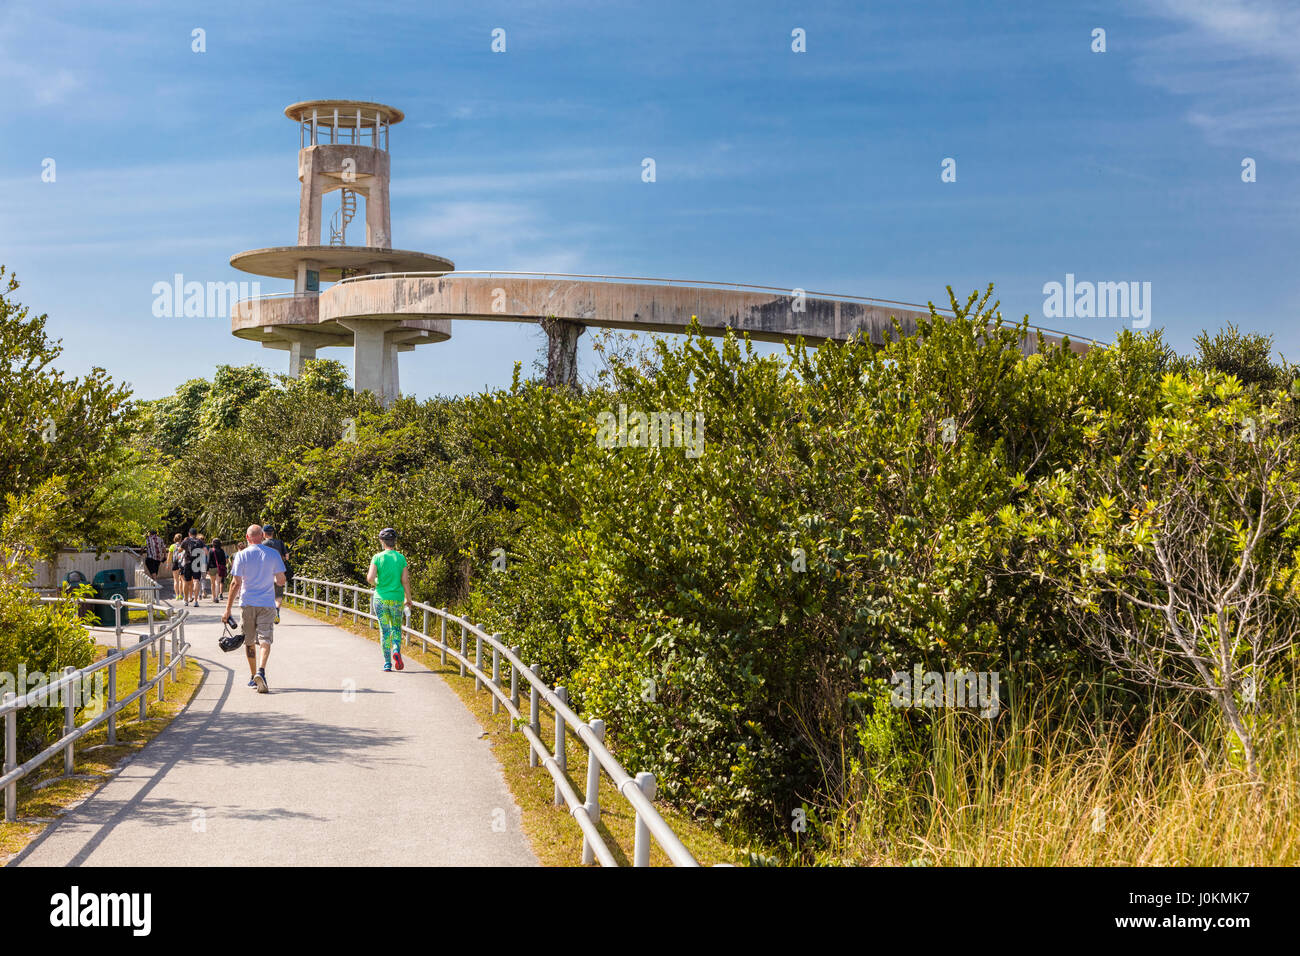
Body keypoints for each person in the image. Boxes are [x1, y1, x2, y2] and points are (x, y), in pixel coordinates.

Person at [223, 524, 286, 694]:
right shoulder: (273, 554)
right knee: (265, 638)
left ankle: (252, 676)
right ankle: (261, 671)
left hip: (247, 603)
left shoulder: (241, 555)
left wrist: (227, 609)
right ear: (263, 536)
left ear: (247, 537)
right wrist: (272, 577)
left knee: (249, 640)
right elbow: (281, 580)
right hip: (267, 603)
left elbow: (236, 583)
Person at [366, 527, 411, 672]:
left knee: (384, 631)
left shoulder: (377, 557)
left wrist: (378, 582)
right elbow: (405, 580)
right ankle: (396, 650)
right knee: (396, 628)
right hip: (397, 599)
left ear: (382, 541)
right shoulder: (401, 558)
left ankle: (387, 663)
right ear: (394, 542)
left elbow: (370, 578)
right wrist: (408, 598)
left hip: (380, 599)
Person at [261, 523, 289, 624]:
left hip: (266, 574)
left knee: (266, 595)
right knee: (278, 595)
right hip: (279, 573)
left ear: (264, 533)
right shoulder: (280, 543)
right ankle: (277, 609)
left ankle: (267, 615)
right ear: (272, 533)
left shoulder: (262, 544)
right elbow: (287, 556)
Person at [180, 527, 204, 606]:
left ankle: (186, 600)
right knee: (196, 581)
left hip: (187, 562)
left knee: (186, 581)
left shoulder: (186, 540)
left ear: (189, 534)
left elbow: (180, 550)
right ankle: (196, 601)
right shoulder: (200, 541)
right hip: (197, 563)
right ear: (196, 534)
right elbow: (205, 552)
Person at [209, 538, 228, 602]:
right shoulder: (222, 551)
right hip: (220, 568)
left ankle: (213, 596)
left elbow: (209, 560)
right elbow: (224, 561)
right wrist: (224, 567)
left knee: (212, 583)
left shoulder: (211, 550)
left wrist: (207, 569)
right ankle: (217, 597)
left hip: (212, 568)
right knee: (218, 583)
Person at [169, 533, 184, 601]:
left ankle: (177, 595)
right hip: (181, 563)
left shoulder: (172, 546)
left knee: (175, 580)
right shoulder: (182, 545)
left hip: (175, 563)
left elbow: (169, 555)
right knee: (181, 580)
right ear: (181, 539)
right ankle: (181, 594)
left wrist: (168, 563)